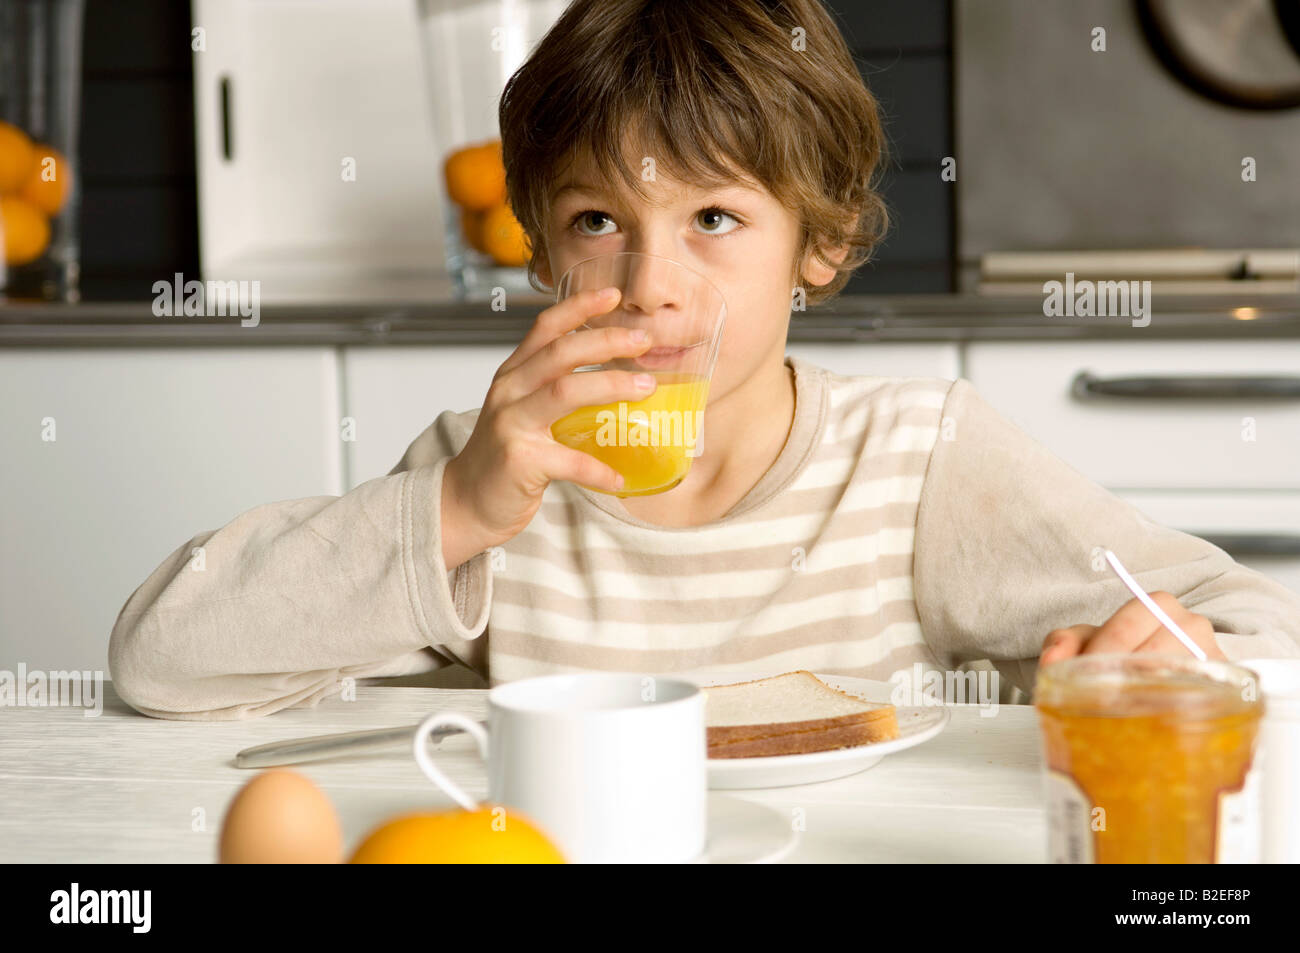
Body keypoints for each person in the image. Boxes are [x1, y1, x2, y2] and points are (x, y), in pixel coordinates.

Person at [108, 0, 1300, 719]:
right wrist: (460, 508)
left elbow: (1256, 625)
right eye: (596, 222)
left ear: (818, 246)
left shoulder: (915, 460)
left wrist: (1173, 656)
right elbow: (160, 661)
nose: (649, 283)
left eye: (714, 220)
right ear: (540, 250)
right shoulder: (490, 481)